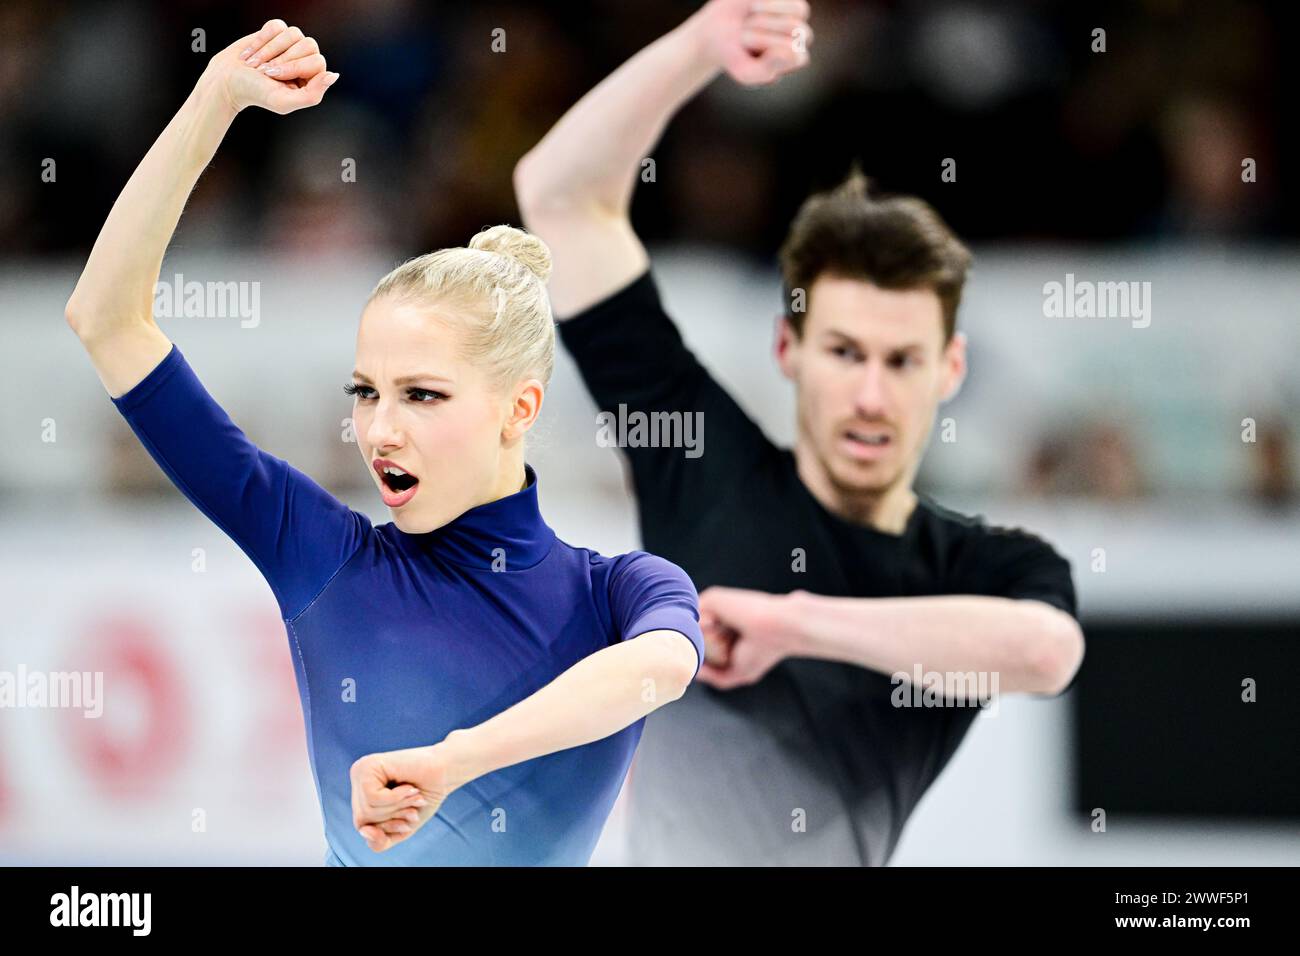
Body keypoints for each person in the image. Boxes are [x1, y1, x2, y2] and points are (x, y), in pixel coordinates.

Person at [64, 19, 704, 867]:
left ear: (520, 408)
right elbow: (106, 319)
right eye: (365, 393)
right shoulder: (316, 551)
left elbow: (659, 670)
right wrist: (214, 100)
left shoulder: (622, 592)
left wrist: (454, 762)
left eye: (422, 395)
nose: (379, 429)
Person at [515, 0, 1085, 865]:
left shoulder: (978, 566)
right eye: (845, 352)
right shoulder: (699, 458)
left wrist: (797, 624)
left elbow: (1045, 653)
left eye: (901, 361)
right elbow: (558, 197)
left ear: (950, 371)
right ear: (789, 348)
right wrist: (702, 42)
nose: (869, 394)